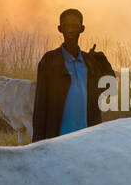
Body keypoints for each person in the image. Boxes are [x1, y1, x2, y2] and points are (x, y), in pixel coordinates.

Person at [31, 9, 113, 141]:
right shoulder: (49, 61)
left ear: (82, 29)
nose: (70, 30)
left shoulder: (90, 62)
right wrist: (37, 144)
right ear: (60, 29)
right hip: (58, 139)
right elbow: (40, 104)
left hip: (88, 138)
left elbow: (109, 89)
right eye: (66, 26)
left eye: (74, 26)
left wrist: (103, 62)